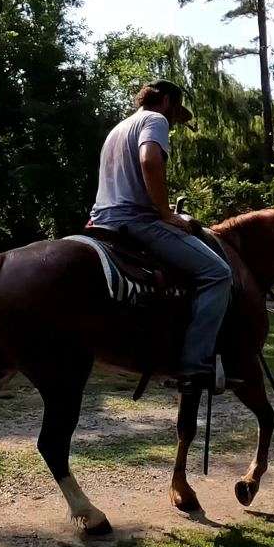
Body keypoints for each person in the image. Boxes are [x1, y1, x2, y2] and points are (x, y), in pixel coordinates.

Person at [88, 80, 233, 394]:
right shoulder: (155, 120)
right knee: (218, 273)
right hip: (136, 221)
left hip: (102, 220)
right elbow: (150, 160)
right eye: (174, 113)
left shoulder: (118, 128)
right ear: (167, 101)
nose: (173, 124)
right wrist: (166, 214)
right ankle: (195, 366)